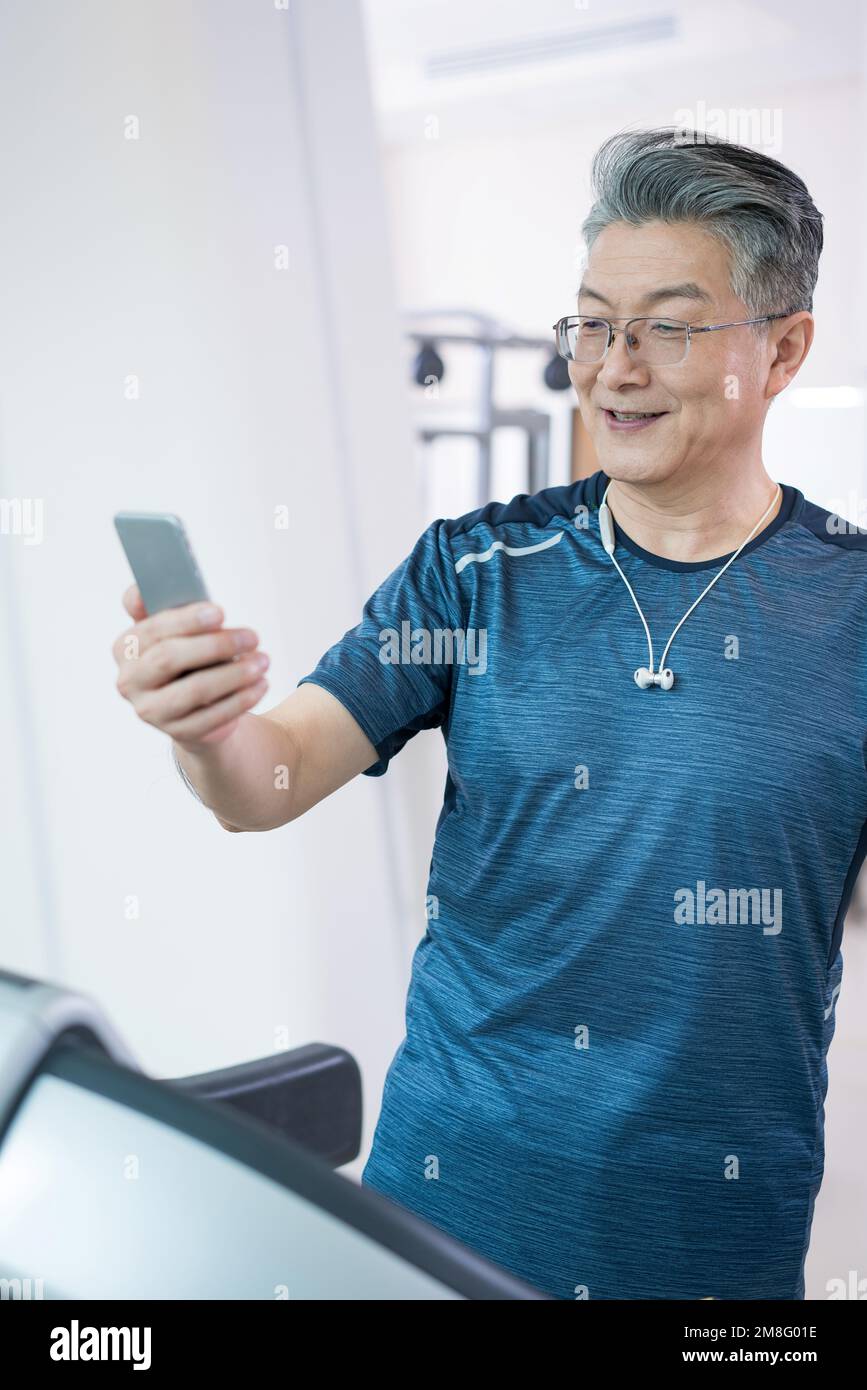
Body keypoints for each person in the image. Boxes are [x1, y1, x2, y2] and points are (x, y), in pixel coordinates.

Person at [113, 127, 867, 1300]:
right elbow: (273, 779)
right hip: (440, 1219)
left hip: (709, 1256)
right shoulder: (476, 571)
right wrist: (206, 728)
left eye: (667, 326)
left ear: (783, 351)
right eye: (592, 324)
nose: (614, 366)